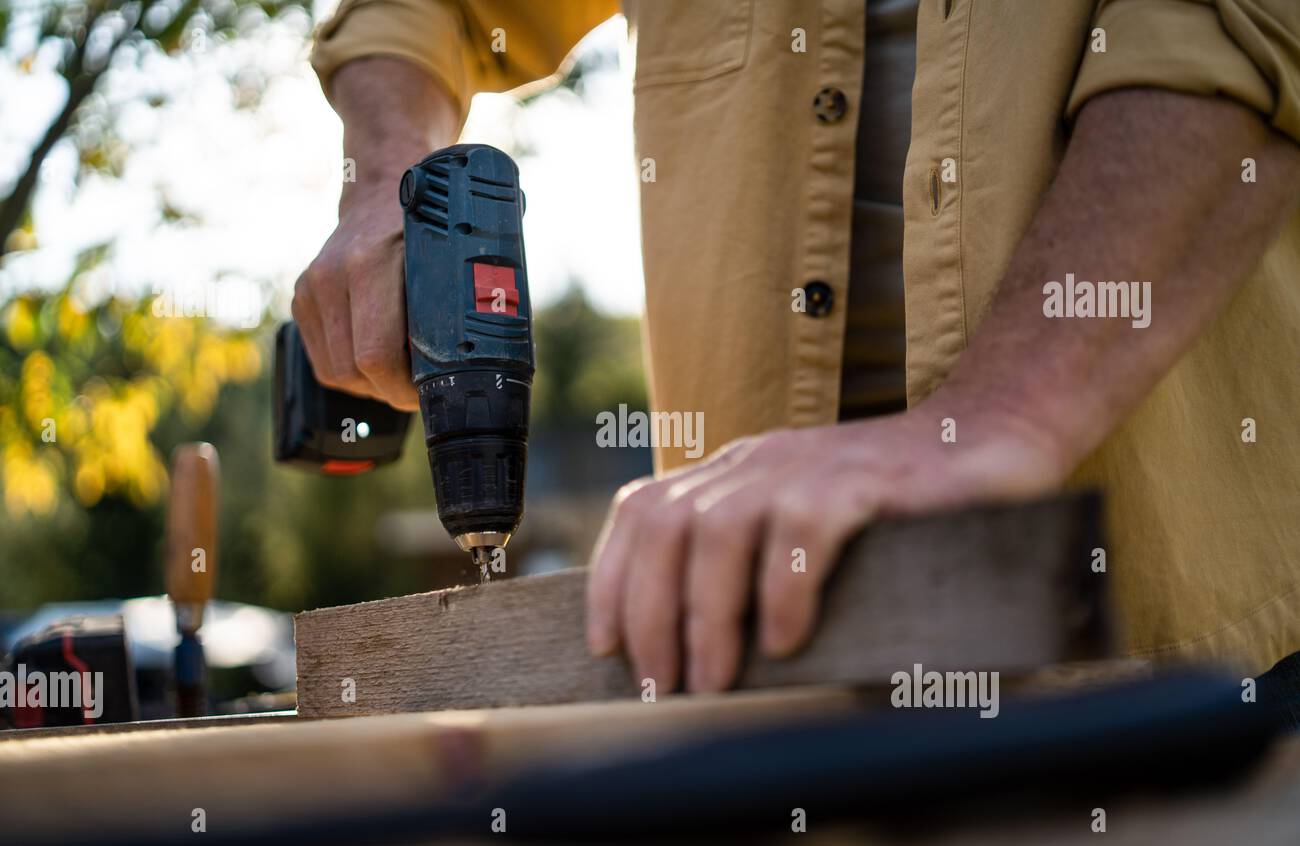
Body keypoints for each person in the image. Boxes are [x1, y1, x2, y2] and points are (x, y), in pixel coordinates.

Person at [294, 0, 1300, 694]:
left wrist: (1001, 417)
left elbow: (1236, 29)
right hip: (756, 672)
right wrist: (388, 172)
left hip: (1191, 655)